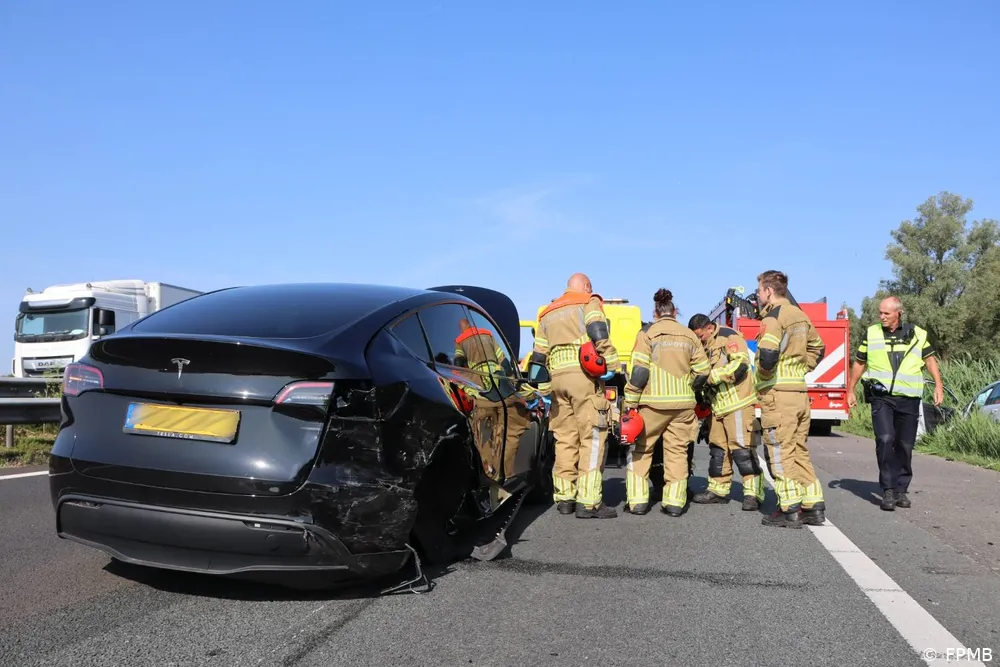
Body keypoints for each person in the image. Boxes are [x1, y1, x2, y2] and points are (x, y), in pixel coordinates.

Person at [528, 273, 620, 518]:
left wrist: (543, 388)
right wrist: (613, 363)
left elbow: (538, 355)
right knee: (593, 436)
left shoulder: (547, 312)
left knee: (565, 438)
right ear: (587, 286)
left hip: (557, 380)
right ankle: (588, 502)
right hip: (583, 377)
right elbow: (597, 331)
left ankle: (565, 498)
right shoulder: (588, 301)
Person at [846, 296, 943, 511]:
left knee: (904, 445)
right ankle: (888, 489)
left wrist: (938, 385)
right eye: (880, 313)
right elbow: (859, 362)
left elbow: (929, 360)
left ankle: (901, 489)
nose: (882, 317)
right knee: (885, 438)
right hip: (882, 397)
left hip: (909, 398)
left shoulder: (918, 334)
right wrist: (850, 390)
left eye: (886, 313)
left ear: (898, 313)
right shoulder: (872, 333)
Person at [621, 289, 711, 516]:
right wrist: (688, 388)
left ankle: (638, 502)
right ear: (675, 311)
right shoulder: (689, 336)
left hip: (652, 404)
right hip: (682, 406)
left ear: (656, 312)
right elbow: (703, 371)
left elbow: (640, 372)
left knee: (642, 450)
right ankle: (674, 504)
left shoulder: (647, 334)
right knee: (677, 452)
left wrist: (631, 399)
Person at [754, 270, 827, 528]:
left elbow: (768, 355)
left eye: (760, 290)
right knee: (798, 451)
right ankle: (813, 505)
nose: (759, 295)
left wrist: (763, 377)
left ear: (769, 291)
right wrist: (801, 368)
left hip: (778, 394)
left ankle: (789, 509)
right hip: (799, 393)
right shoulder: (800, 316)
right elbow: (819, 347)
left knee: (779, 452)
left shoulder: (773, 317)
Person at [688, 314, 766, 511]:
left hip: (737, 404)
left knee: (742, 450)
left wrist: (711, 377)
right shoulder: (704, 345)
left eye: (700, 336)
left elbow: (740, 365)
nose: (699, 340)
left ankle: (753, 494)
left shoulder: (729, 337)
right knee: (718, 450)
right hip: (717, 407)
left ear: (708, 328)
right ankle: (718, 490)